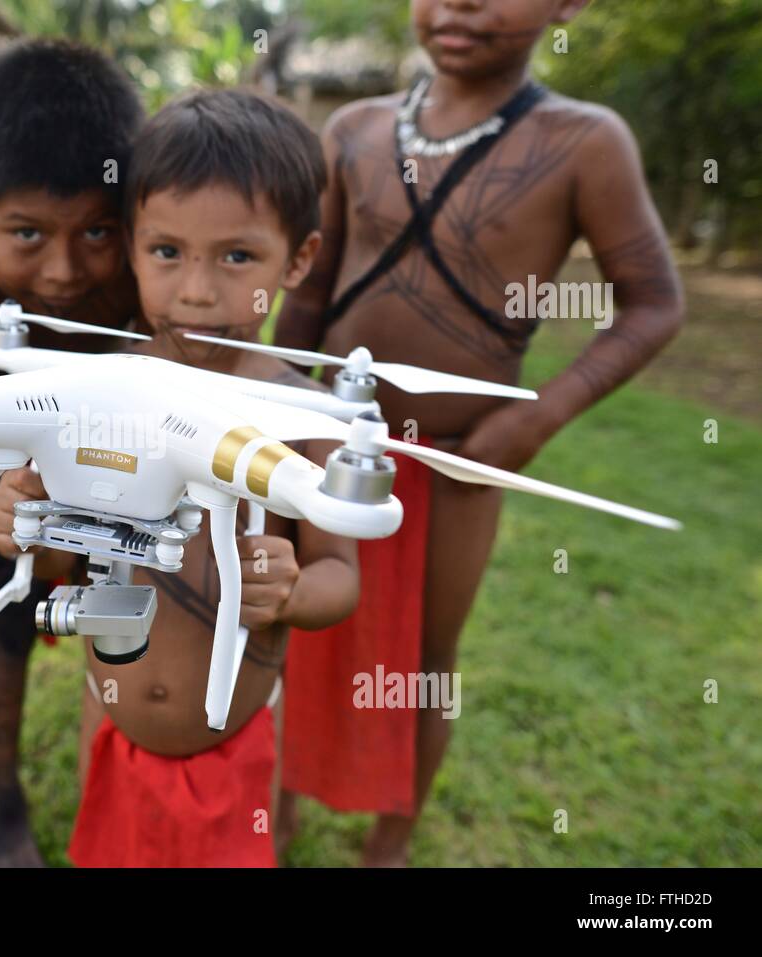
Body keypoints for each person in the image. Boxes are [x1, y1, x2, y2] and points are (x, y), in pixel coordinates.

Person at [273, 0, 684, 865]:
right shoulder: (353, 128)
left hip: (459, 462)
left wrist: (533, 420)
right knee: (289, 615)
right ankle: (275, 798)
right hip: (324, 440)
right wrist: (277, 404)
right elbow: (310, 292)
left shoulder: (584, 142)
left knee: (425, 653)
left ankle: (392, 838)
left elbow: (652, 303)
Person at [0, 89, 360, 866]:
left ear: (298, 259)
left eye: (236, 257)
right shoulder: (96, 392)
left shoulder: (307, 415)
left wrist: (292, 591)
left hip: (238, 729)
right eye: (167, 252)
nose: (195, 290)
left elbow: (341, 577)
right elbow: (58, 562)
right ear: (131, 247)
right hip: (110, 713)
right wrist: (23, 524)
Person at [0, 39, 144, 866]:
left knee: (132, 621)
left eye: (97, 232)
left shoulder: (151, 255)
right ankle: (2, 796)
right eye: (27, 233)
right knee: (1, 615)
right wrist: (19, 497)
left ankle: (137, 777)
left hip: (125, 457)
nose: (66, 270)